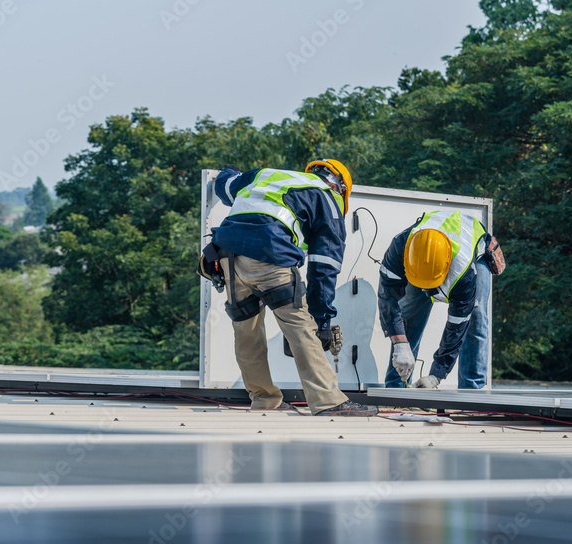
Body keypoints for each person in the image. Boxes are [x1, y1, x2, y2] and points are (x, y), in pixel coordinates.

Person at [208, 160, 377, 416]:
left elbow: (225, 186)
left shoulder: (266, 175)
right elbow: (324, 269)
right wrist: (320, 321)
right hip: (269, 251)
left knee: (247, 329)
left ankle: (264, 400)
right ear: (339, 187)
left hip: (225, 254)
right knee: (300, 325)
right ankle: (328, 400)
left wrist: (228, 171)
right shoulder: (328, 199)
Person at [379, 210, 491, 389]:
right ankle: (396, 388)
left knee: (475, 319)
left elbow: (457, 327)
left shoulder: (464, 273)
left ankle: (471, 392)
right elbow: (387, 300)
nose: (425, 290)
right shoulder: (400, 248)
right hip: (424, 259)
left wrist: (436, 375)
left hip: (473, 255)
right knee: (409, 315)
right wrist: (399, 342)